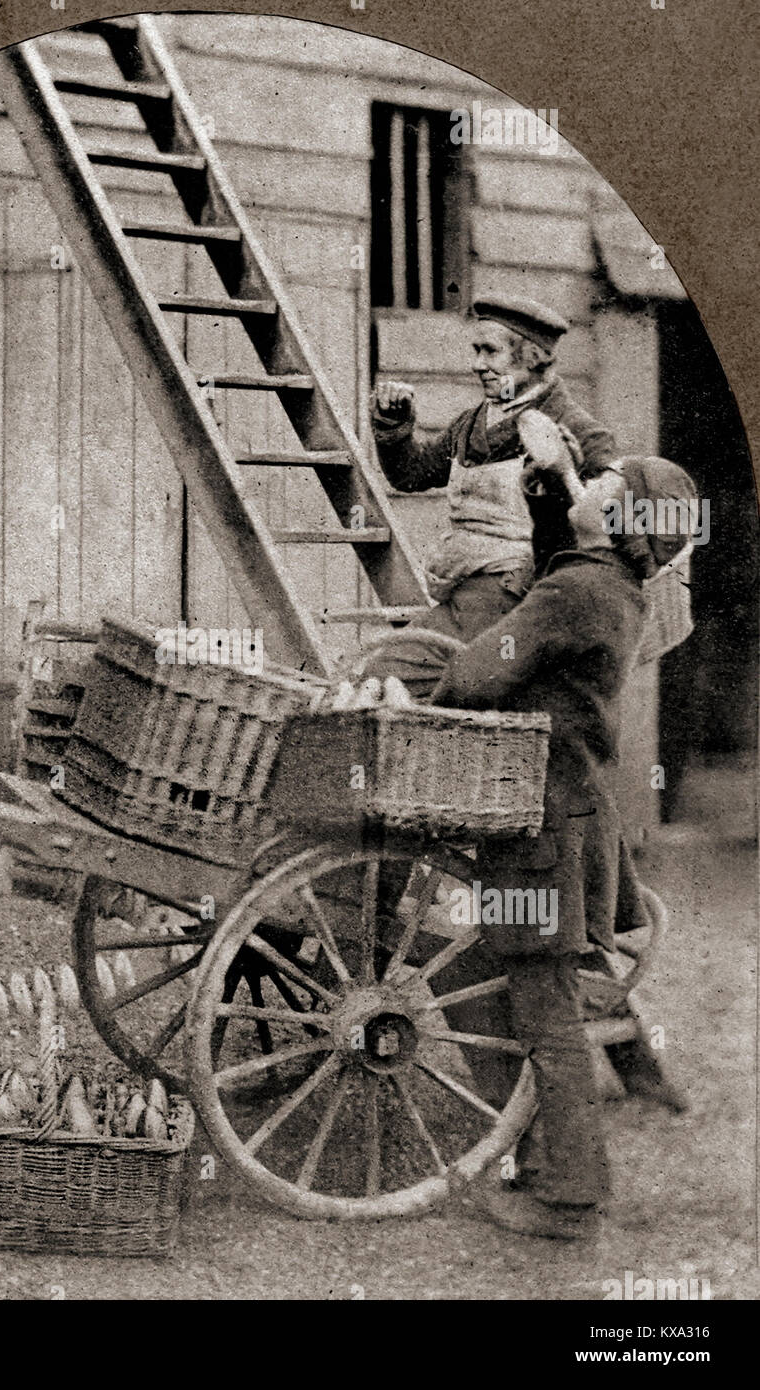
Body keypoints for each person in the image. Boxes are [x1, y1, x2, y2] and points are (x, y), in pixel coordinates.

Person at [427, 454, 698, 1239]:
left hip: (537, 835)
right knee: (488, 978)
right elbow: (559, 555)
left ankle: (571, 1197)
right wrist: (548, 492)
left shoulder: (573, 592)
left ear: (620, 520)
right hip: (568, 825)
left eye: (607, 483)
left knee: (546, 1014)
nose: (594, 483)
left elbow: (478, 674)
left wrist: (437, 685)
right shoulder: (608, 588)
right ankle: (529, 1159)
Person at [371, 294, 617, 640]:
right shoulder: (470, 424)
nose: (477, 364)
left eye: (490, 351)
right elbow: (411, 475)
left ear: (531, 356)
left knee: (396, 669)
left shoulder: (581, 431)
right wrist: (394, 428)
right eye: (477, 351)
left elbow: (608, 531)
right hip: (458, 590)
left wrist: (563, 472)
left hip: (521, 607)